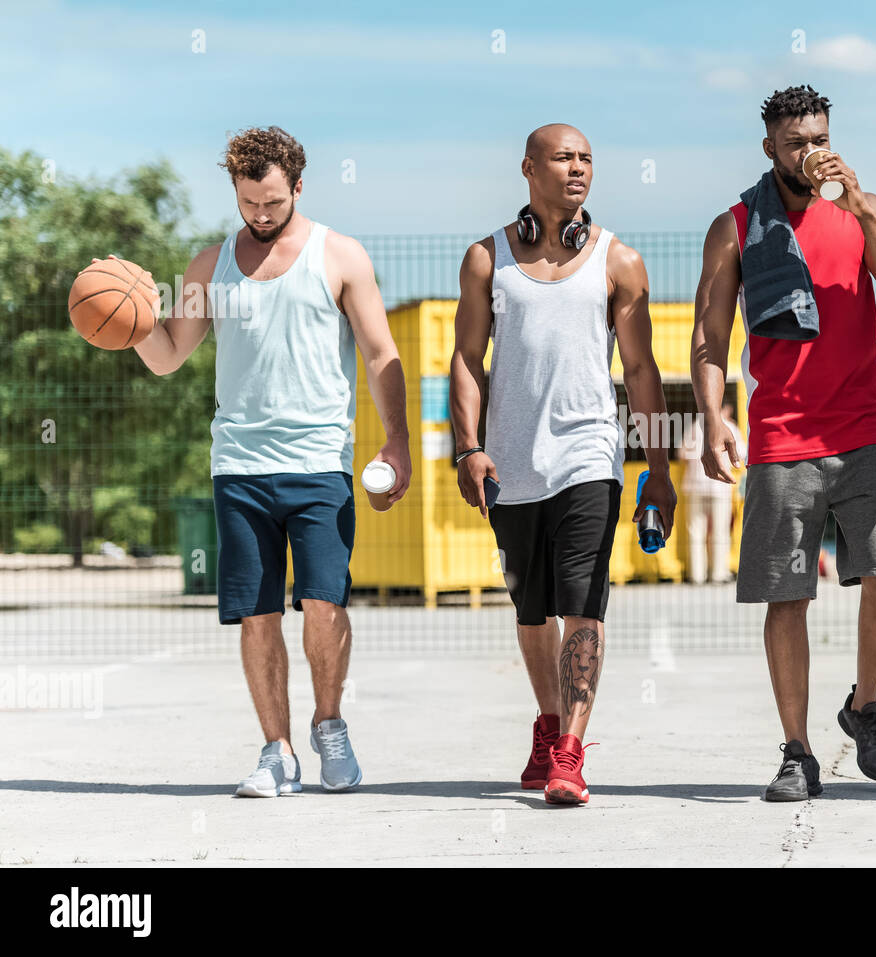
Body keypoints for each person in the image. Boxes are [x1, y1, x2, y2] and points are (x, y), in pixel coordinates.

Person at [131, 126, 411, 796]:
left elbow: (379, 354)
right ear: (234, 189)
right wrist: (134, 324)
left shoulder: (339, 255)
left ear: (299, 187)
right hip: (240, 466)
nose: (262, 213)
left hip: (319, 463)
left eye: (274, 201)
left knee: (323, 606)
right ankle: (276, 751)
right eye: (250, 201)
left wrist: (396, 440)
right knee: (257, 615)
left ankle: (330, 727)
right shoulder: (208, 267)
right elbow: (169, 356)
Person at [692, 86, 876, 801]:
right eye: (795, 142)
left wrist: (862, 212)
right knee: (785, 596)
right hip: (781, 435)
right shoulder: (736, 225)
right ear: (769, 147)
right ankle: (796, 750)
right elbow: (710, 334)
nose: (809, 151)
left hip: (862, 429)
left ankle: (863, 706)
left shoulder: (865, 208)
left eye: (818, 136)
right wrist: (712, 414)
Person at [450, 123, 676, 806]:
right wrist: (468, 446)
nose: (578, 169)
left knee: (582, 600)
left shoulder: (619, 260)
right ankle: (548, 724)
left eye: (586, 159)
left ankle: (571, 751)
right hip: (513, 461)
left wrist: (657, 469)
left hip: (589, 455)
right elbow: (466, 359)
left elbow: (640, 369)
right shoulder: (486, 258)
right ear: (528, 168)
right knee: (530, 605)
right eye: (563, 157)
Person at [678, 401, 746, 583]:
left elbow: (681, 453)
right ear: (726, 408)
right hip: (720, 487)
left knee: (695, 532)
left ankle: (697, 575)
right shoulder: (730, 427)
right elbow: (741, 454)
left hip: (695, 485)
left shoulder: (695, 426)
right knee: (720, 532)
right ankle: (718, 573)